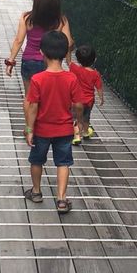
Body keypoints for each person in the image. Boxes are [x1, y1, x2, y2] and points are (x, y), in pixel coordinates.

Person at [24, 30, 84, 214]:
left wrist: (29, 129)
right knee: (63, 163)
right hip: (64, 130)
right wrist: (78, 121)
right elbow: (79, 104)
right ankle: (62, 200)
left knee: (37, 160)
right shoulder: (71, 78)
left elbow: (32, 106)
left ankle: (36, 192)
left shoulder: (37, 79)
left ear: (41, 52)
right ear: (66, 52)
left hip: (42, 130)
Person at [5, 0, 74, 94]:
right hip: (52, 63)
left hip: (29, 61)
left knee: (30, 98)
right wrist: (69, 63)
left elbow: (19, 40)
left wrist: (10, 62)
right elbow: (69, 43)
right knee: (47, 98)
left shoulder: (27, 18)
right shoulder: (62, 20)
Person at [69, 44, 104, 145]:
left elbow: (68, 61)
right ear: (94, 60)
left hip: (76, 100)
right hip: (89, 101)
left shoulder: (75, 69)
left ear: (78, 59)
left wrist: (69, 50)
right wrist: (101, 98)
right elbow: (99, 88)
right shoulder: (95, 74)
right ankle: (85, 132)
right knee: (86, 117)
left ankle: (76, 136)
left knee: (75, 118)